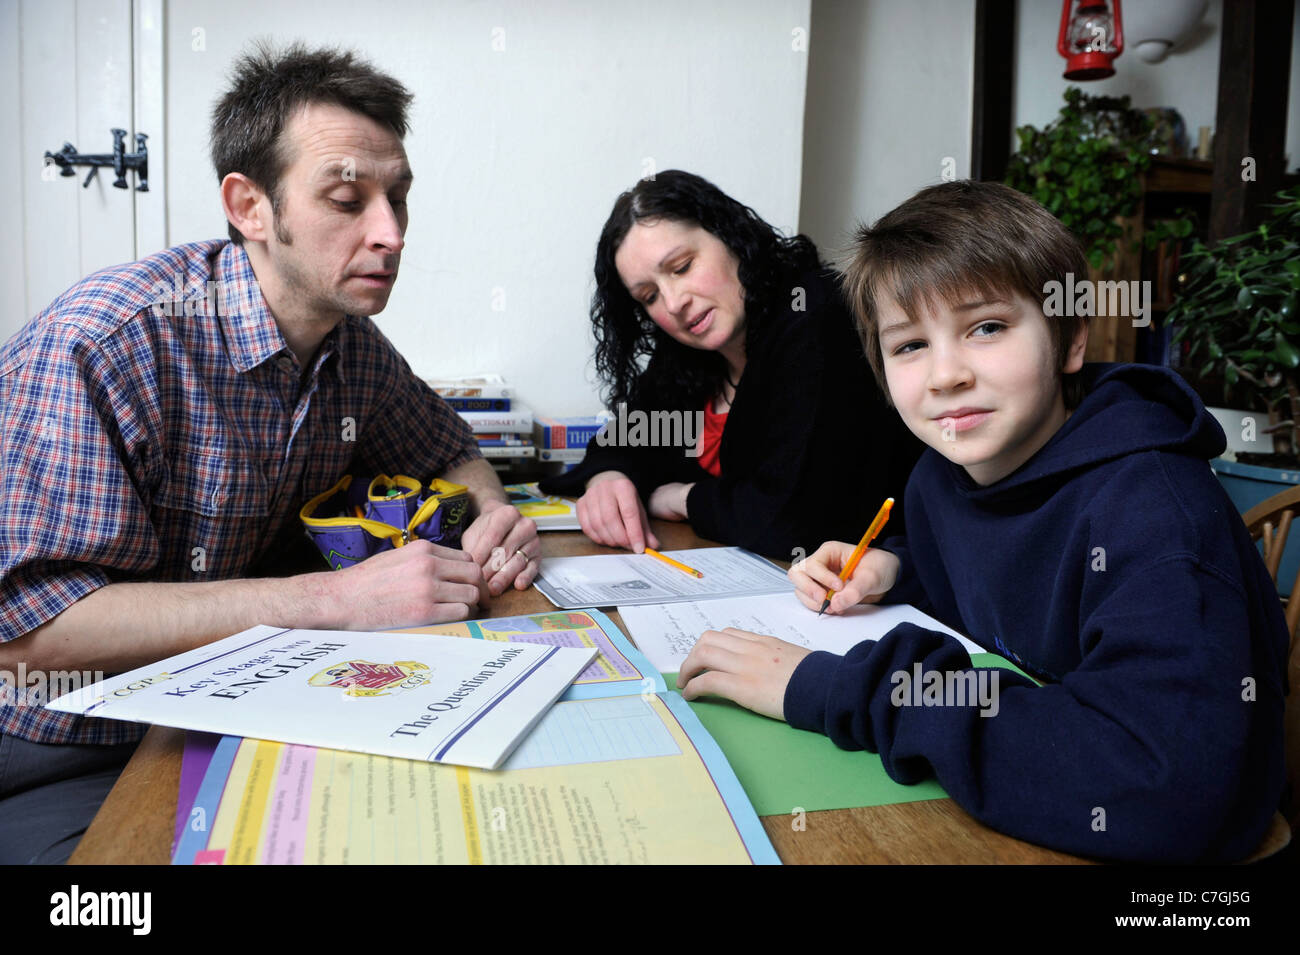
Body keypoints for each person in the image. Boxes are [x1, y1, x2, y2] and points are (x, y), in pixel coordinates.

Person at [0, 43, 539, 863]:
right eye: (348, 199)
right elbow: (31, 633)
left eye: (398, 198)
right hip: (67, 740)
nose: (389, 233)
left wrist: (493, 515)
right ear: (250, 206)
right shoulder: (104, 343)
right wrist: (336, 600)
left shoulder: (352, 346)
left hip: (235, 710)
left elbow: (453, 449)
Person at [676, 180, 1290, 863]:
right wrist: (897, 569)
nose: (944, 375)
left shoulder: (1153, 513)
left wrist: (833, 689)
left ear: (1071, 339)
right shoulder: (941, 477)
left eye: (987, 327)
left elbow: (1158, 785)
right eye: (909, 345)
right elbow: (983, 583)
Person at [539, 171, 920, 561]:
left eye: (682, 267)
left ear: (729, 235)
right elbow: (626, 440)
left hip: (872, 592)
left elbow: (792, 520)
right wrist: (609, 476)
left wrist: (681, 498)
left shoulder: (814, 318)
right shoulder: (690, 358)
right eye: (649, 296)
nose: (672, 303)